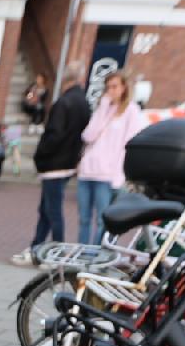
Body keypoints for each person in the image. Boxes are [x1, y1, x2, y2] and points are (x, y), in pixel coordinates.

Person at [12, 67, 88, 264]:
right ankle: (38, 248)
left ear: (65, 81)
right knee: (47, 209)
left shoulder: (63, 103)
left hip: (54, 164)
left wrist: (40, 155)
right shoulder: (84, 103)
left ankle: (55, 253)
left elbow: (54, 134)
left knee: (52, 210)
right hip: (68, 163)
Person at [75, 70, 147, 246]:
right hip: (88, 171)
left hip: (107, 175)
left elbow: (129, 144)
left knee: (102, 220)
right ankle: (81, 253)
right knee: (84, 218)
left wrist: (119, 174)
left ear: (124, 88)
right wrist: (102, 109)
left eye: (114, 86)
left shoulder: (131, 111)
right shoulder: (104, 108)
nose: (111, 91)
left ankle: (95, 257)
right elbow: (88, 136)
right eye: (108, 87)